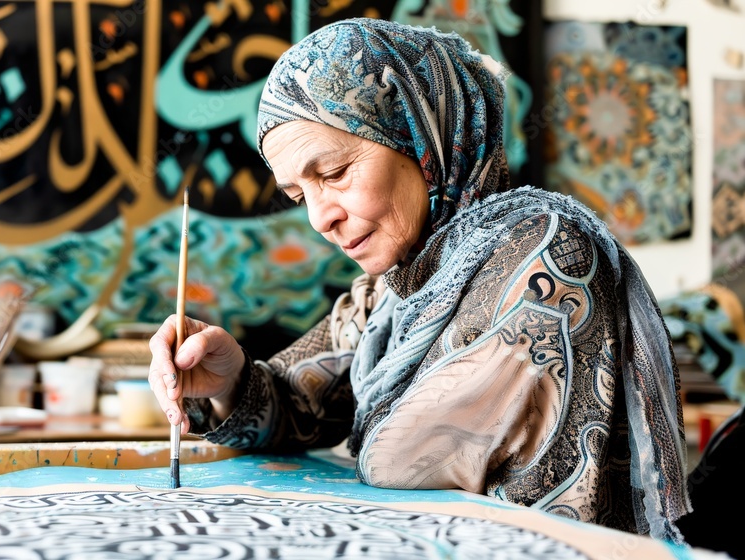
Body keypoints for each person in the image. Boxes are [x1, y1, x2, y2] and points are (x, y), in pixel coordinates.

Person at [148, 18, 691, 542]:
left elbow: (397, 458)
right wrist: (228, 382)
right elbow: (302, 401)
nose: (318, 218)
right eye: (297, 195)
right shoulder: (399, 285)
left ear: (421, 137)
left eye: (334, 174)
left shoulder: (545, 257)